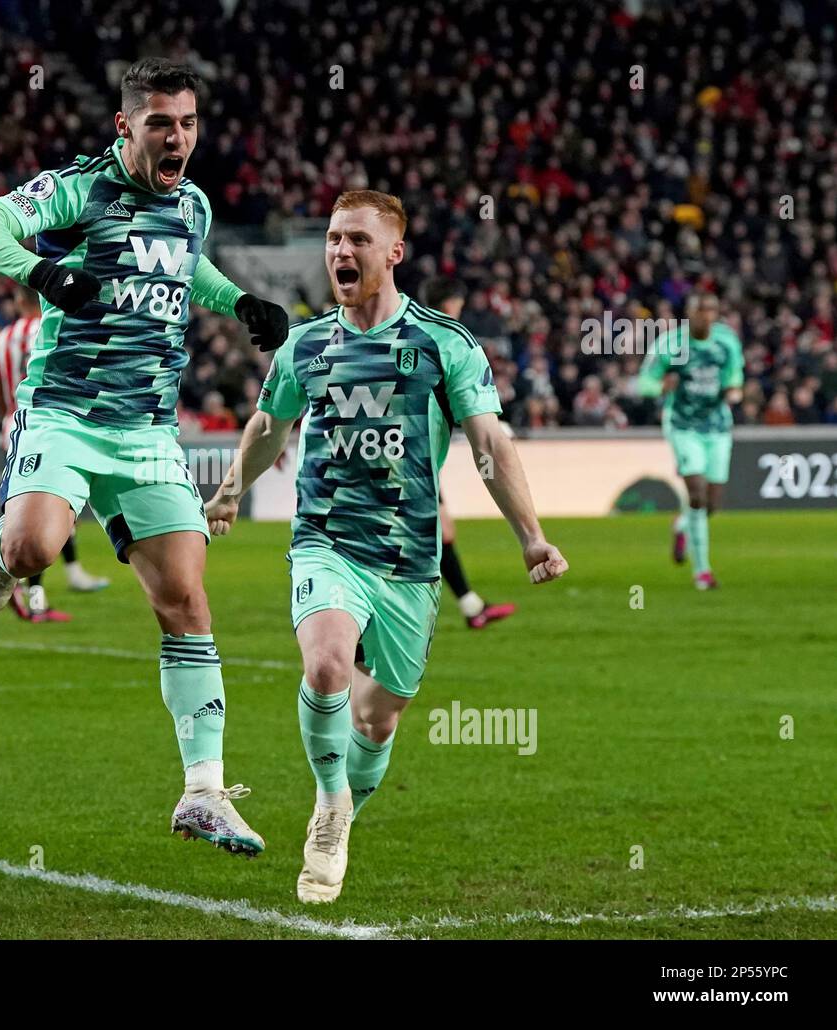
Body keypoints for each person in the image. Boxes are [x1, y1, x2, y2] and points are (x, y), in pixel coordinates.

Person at [0, 58, 289, 855]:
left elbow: (186, 267)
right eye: (161, 122)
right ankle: (2, 553)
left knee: (186, 599)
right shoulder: (78, 189)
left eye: (188, 123)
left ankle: (203, 792)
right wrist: (41, 270)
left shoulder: (193, 203)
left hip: (147, 431)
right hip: (65, 413)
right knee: (34, 550)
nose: (178, 138)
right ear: (125, 125)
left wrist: (239, 300)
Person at [208, 192, 568, 902]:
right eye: (333, 239)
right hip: (326, 541)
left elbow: (490, 442)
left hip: (409, 560)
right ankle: (330, 805)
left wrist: (531, 536)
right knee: (327, 666)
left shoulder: (443, 343)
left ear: (394, 253)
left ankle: (345, 802)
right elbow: (269, 425)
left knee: (379, 716)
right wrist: (228, 492)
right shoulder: (305, 344)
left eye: (358, 240)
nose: (341, 251)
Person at [0, 284, 110, 623]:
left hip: (15, 427)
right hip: (53, 425)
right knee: (49, 510)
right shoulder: (54, 326)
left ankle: (62, 579)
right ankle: (35, 599)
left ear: (18, 301)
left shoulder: (1, 339)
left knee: (46, 510)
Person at [420, 277, 516, 628]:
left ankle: (470, 605)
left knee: (440, 533)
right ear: (450, 304)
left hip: (420, 457)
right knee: (436, 533)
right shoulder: (446, 340)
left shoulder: (416, 335)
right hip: (411, 460)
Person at [638, 292, 744, 589]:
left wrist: (734, 389)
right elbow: (643, 383)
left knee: (712, 502)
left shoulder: (726, 341)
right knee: (696, 494)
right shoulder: (671, 344)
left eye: (710, 310)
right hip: (683, 426)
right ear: (689, 313)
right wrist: (661, 387)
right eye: (699, 310)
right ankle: (703, 572)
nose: (705, 316)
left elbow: (734, 375)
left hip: (717, 425)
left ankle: (682, 524)